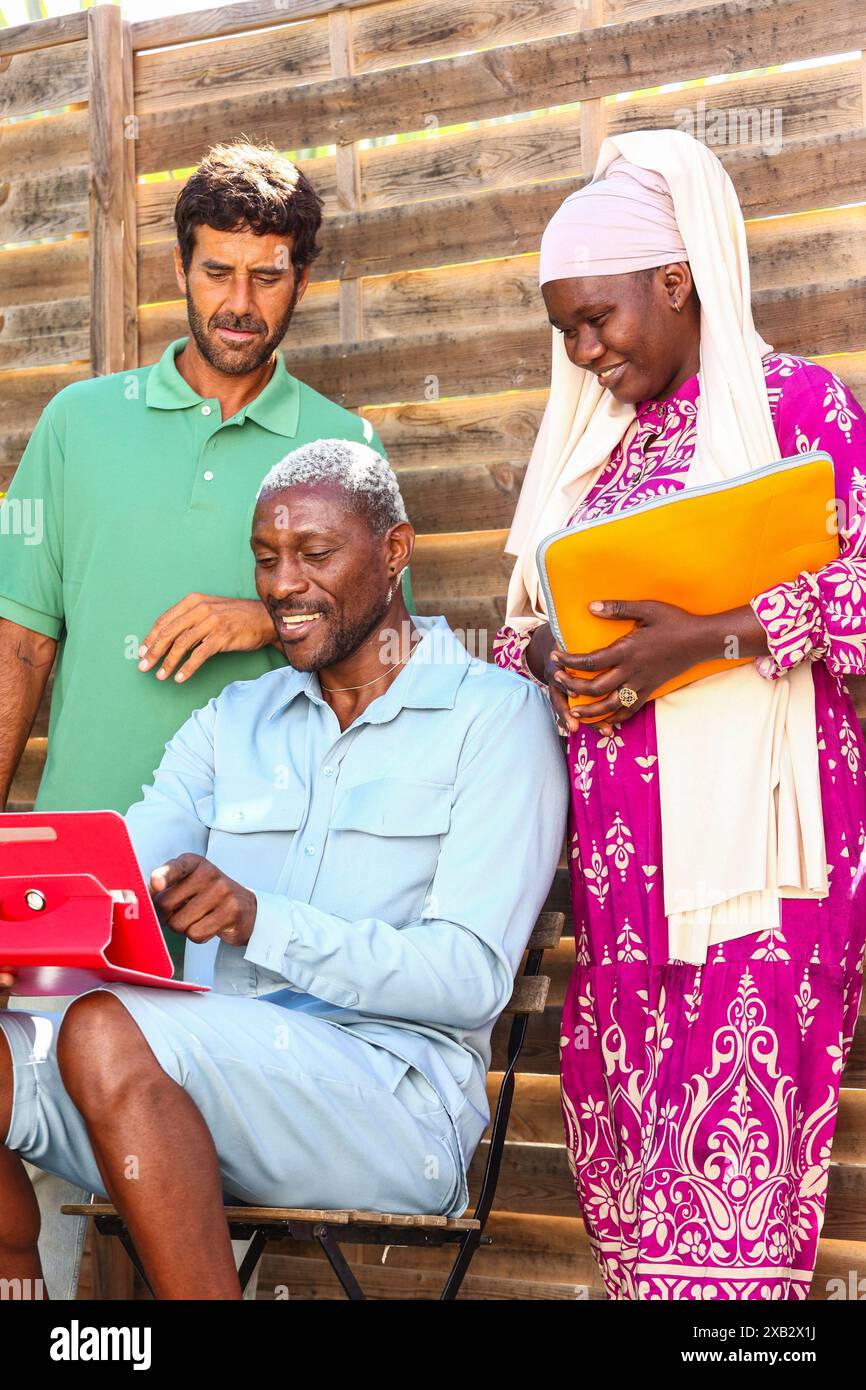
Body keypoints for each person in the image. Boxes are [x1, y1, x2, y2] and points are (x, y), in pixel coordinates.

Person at [0, 440, 568, 1300]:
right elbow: (124, 868)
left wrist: (258, 919)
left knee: (109, 1029)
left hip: (390, 1103)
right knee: (84, 1034)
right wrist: (32, 917)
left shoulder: (495, 718)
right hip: (193, 1088)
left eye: (315, 554)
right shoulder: (236, 719)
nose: (282, 585)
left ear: (395, 551)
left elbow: (469, 978)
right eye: (266, 558)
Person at [0, 140, 407, 1299]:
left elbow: (383, 656)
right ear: (178, 268)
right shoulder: (80, 426)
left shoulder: (344, 448)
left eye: (268, 274)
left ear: (301, 278)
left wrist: (257, 614)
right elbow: (19, 644)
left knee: (193, 1211)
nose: (240, 302)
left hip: (255, 893)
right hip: (83, 883)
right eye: (217, 270)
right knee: (56, 1176)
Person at [493, 128, 866, 1300]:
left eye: (598, 319)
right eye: (563, 329)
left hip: (759, 886)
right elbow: (517, 636)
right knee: (642, 1235)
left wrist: (703, 642)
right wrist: (551, 655)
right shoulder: (589, 457)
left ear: (675, 280)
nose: (583, 350)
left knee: (723, 1241)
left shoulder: (801, 410)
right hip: (619, 898)